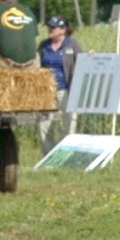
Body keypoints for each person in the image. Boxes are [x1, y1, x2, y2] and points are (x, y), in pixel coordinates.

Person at [38, 15, 86, 153]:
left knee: (69, 123)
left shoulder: (72, 44)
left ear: (63, 30)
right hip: (46, 91)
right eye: (49, 27)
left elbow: (81, 62)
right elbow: (37, 65)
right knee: (44, 124)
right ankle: (48, 156)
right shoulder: (44, 45)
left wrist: (90, 56)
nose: (50, 29)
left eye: (53, 27)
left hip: (65, 89)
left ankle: (65, 153)